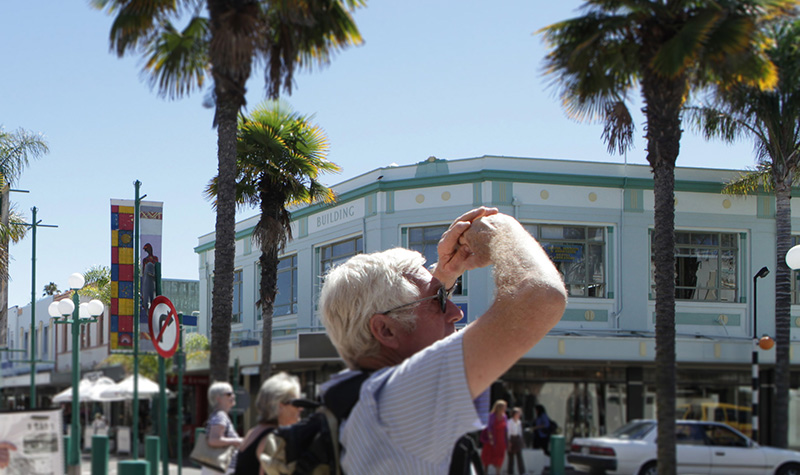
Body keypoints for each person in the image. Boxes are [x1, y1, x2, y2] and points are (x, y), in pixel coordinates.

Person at [319, 207, 567, 473]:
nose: (456, 312)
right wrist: (502, 231)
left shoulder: (361, 397)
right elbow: (542, 298)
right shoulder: (397, 401)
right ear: (386, 331)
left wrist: (441, 281)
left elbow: (423, 324)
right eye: (440, 301)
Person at [233, 372, 303, 475]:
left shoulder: (255, 431)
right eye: (297, 403)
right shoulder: (272, 438)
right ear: (280, 406)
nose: (301, 409)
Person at [203, 382, 243, 475]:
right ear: (218, 398)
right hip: (221, 467)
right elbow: (213, 440)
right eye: (229, 394)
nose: (233, 396)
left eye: (233, 393)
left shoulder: (218, 415)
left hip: (218, 467)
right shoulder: (220, 416)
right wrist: (238, 441)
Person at [481, 399, 508, 474]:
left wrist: (507, 441)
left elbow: (506, 430)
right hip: (492, 439)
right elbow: (489, 428)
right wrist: (491, 439)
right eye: (504, 407)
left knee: (499, 458)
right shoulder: (492, 416)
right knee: (488, 457)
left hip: (501, 440)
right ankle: (485, 472)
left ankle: (498, 473)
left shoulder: (505, 417)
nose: (505, 409)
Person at [506, 407, 526, 475]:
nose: (518, 415)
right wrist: (509, 441)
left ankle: (522, 472)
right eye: (517, 414)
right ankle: (510, 472)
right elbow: (508, 432)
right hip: (512, 438)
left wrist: (521, 440)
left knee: (519, 456)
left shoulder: (519, 422)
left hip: (517, 439)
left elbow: (520, 432)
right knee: (511, 457)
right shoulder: (509, 422)